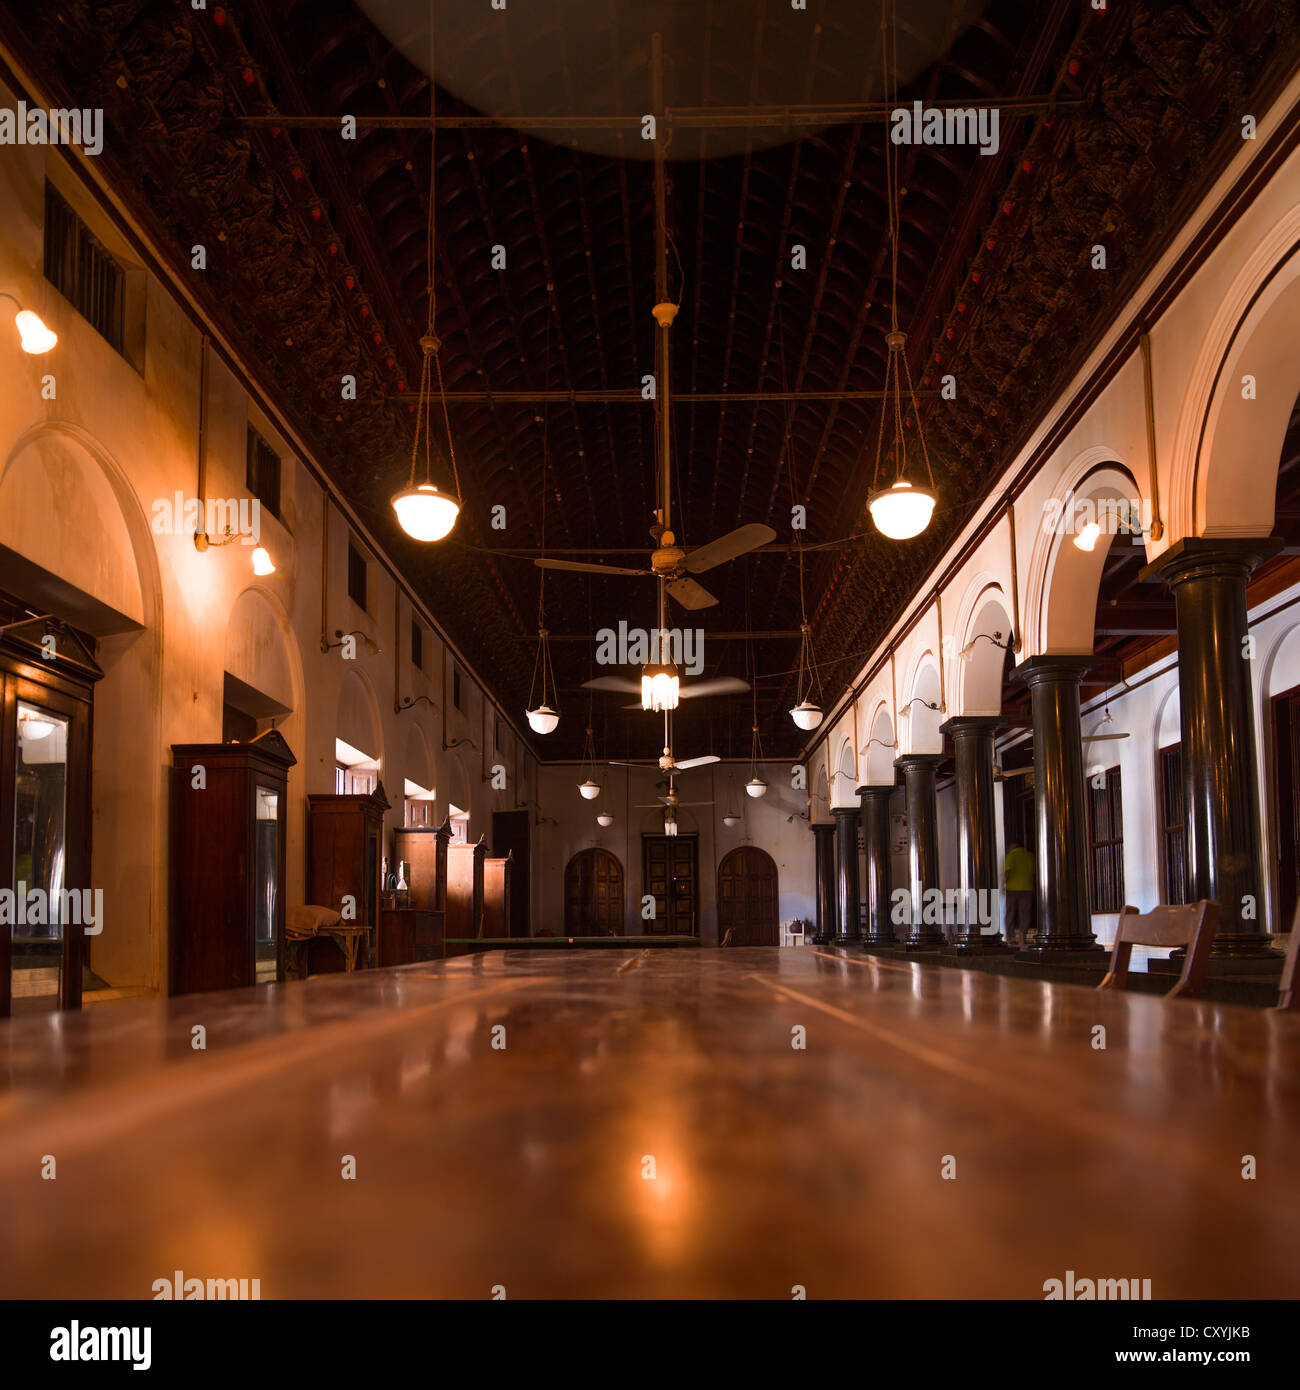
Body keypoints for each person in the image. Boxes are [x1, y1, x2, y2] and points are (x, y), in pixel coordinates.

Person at [1003, 840, 1035, 947]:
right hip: (1027, 888)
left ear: (1011, 846)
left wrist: (1004, 884)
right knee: (1025, 914)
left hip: (1012, 889)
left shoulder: (1011, 856)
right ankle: (1022, 939)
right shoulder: (1029, 855)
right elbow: (1032, 873)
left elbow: (1008, 871)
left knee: (1010, 913)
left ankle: (1010, 938)